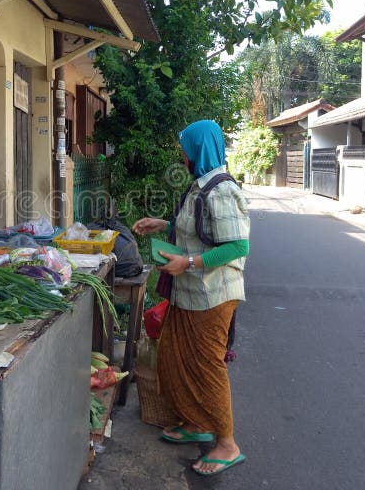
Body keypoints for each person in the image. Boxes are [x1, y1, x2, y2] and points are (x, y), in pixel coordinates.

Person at [132, 119, 250, 476]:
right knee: (174, 357)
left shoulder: (222, 190)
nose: (182, 155)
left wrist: (190, 262)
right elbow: (197, 230)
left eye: (185, 147)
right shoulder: (201, 188)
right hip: (190, 293)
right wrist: (162, 224)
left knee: (206, 366)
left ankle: (227, 444)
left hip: (213, 295)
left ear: (197, 149)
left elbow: (237, 245)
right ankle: (196, 422)